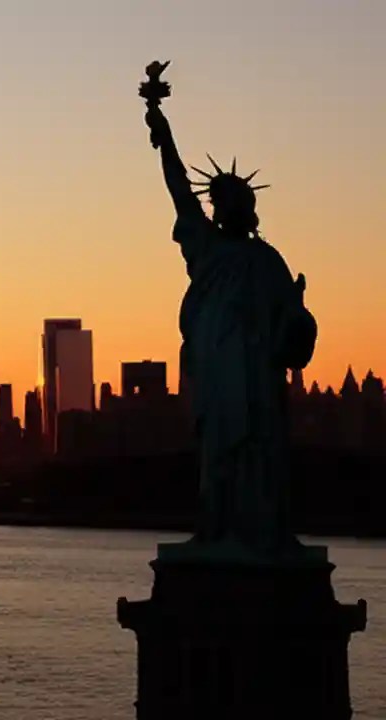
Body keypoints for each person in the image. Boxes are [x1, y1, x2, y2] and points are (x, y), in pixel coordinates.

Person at [145, 101, 315, 556]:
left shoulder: (268, 261)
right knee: (218, 454)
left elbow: (294, 331)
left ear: (249, 208)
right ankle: (215, 530)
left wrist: (298, 315)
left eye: (236, 200)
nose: (227, 207)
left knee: (261, 453)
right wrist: (163, 134)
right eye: (221, 201)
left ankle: (265, 532)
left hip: (258, 375)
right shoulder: (205, 247)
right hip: (219, 374)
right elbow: (180, 190)